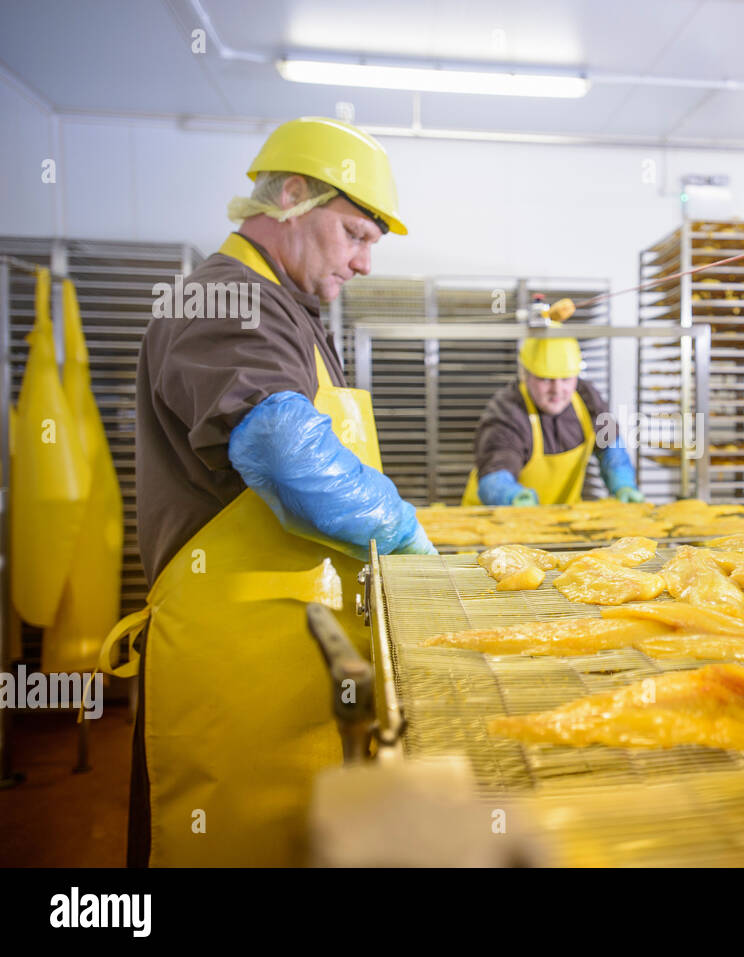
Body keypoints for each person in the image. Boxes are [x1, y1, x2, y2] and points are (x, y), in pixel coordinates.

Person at [104, 116, 433, 867]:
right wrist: (408, 536)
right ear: (291, 197)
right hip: (236, 675)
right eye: (355, 233)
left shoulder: (288, 309)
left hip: (292, 657)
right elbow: (285, 453)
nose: (364, 263)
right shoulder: (225, 301)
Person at [462, 318, 643, 506]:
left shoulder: (587, 397)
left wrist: (623, 484)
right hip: (497, 520)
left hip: (561, 521)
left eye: (566, 378)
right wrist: (511, 496)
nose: (557, 390)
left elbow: (610, 446)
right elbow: (495, 476)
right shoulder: (507, 412)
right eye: (545, 379)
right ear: (525, 375)